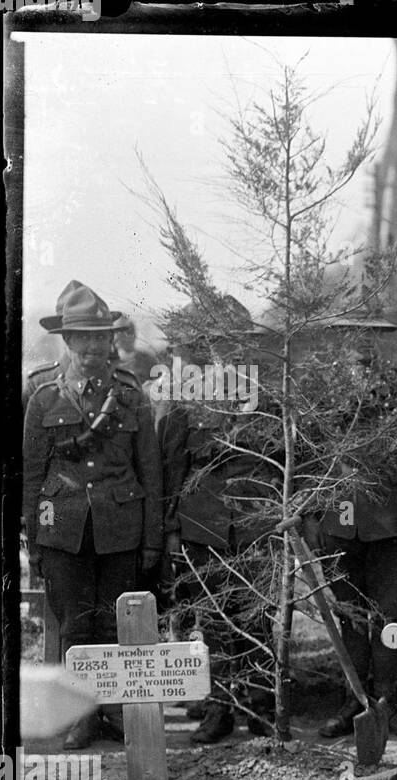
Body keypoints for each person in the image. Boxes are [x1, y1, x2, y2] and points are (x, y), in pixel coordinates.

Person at [23, 280, 163, 750]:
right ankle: (81, 717)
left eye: (100, 336)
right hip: (62, 531)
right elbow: (31, 475)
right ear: (66, 340)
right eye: (81, 337)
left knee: (114, 624)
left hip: (121, 530)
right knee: (75, 626)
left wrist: (152, 540)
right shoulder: (42, 395)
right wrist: (35, 543)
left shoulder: (132, 395)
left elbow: (151, 471)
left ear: (111, 341)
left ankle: (114, 713)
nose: (91, 346)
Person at [159, 298, 279, 742]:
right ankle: (220, 709)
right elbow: (171, 469)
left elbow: (286, 459)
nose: (222, 355)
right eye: (212, 346)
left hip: (255, 523)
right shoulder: (182, 400)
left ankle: (261, 707)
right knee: (211, 622)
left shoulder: (267, 396)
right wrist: (171, 530)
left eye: (232, 345)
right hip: (202, 525)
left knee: (258, 618)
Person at [307, 311, 397, 739]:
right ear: (340, 339)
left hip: (391, 521)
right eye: (352, 335)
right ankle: (353, 703)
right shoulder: (321, 390)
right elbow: (307, 459)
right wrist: (310, 517)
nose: (361, 343)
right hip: (338, 519)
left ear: (380, 340)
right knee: (349, 616)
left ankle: (386, 704)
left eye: (370, 335)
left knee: (387, 615)